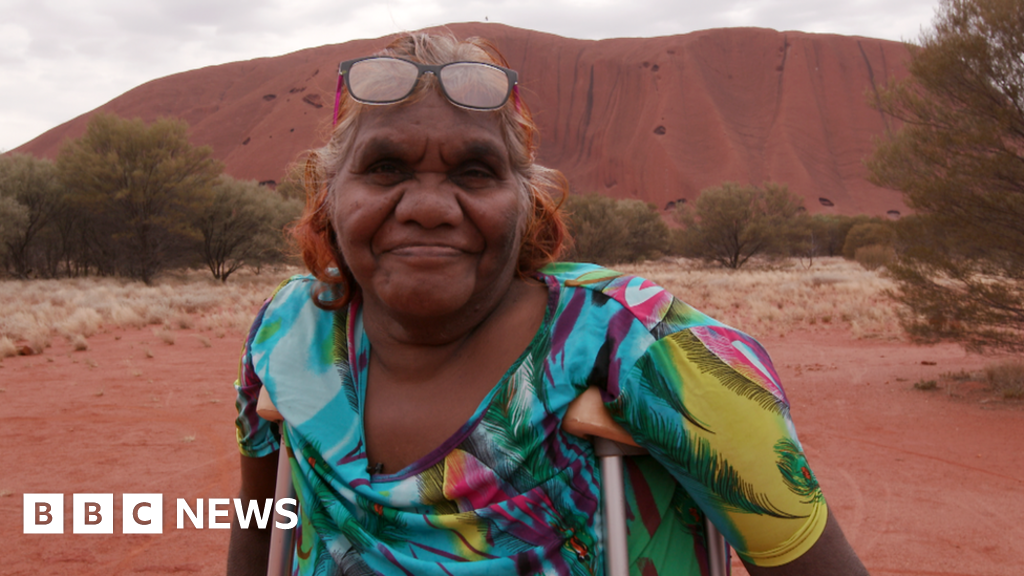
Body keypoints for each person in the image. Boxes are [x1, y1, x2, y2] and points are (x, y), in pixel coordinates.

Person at [227, 32, 869, 576]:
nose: (427, 208)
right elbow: (260, 527)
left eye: (474, 173)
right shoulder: (288, 330)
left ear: (526, 201)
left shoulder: (648, 347)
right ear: (329, 195)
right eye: (386, 168)